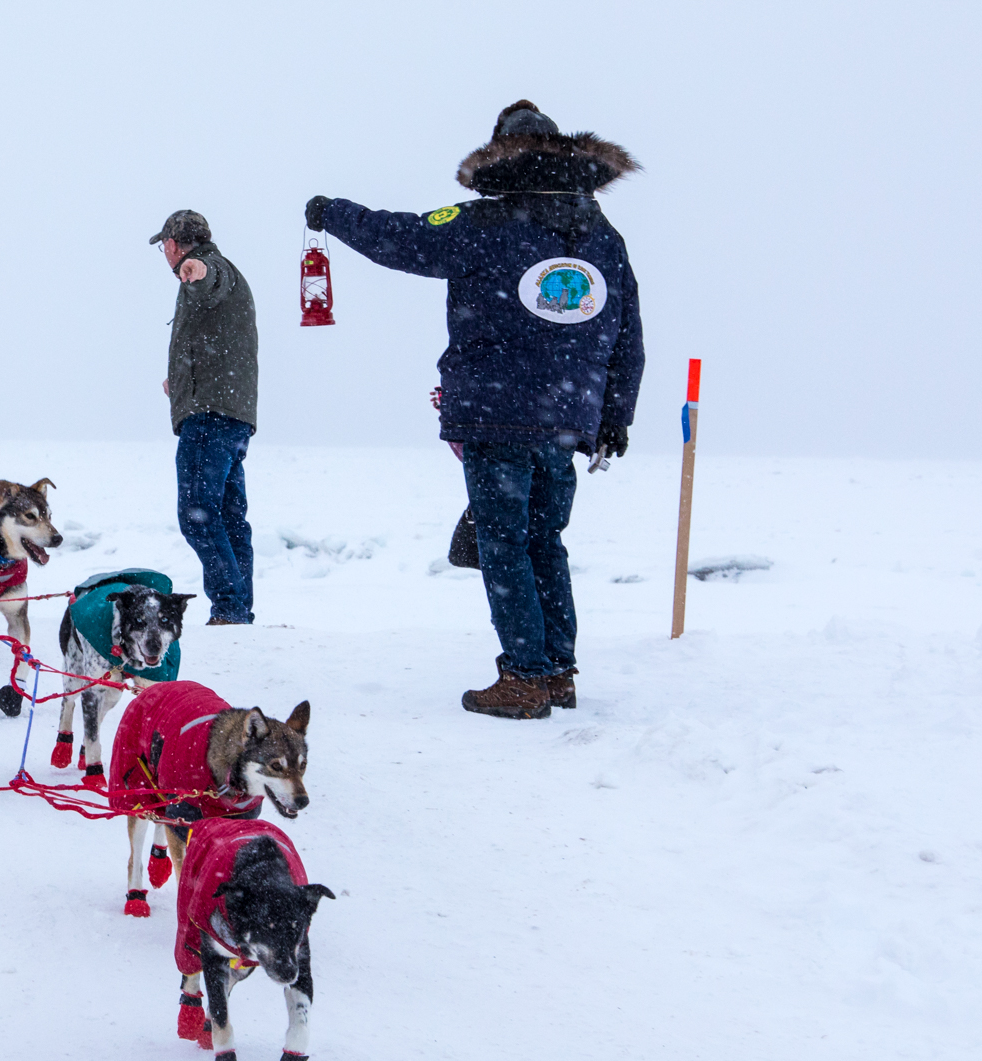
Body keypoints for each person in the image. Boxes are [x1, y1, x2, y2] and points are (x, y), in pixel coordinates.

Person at [305, 100, 644, 718]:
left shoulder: (482, 222)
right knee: (546, 541)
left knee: (504, 543)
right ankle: (557, 672)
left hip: (498, 412)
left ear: (502, 156)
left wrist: (333, 214)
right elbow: (627, 332)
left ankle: (522, 677)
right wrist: (614, 415)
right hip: (568, 420)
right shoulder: (604, 237)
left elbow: (400, 237)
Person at [150, 210, 258, 626]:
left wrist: (197, 270)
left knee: (197, 514)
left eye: (165, 247)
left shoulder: (211, 270)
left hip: (210, 415)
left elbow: (211, 279)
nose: (166, 255)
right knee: (229, 519)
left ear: (175, 245)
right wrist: (177, 380)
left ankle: (229, 609)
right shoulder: (226, 276)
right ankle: (238, 611)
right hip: (231, 414)